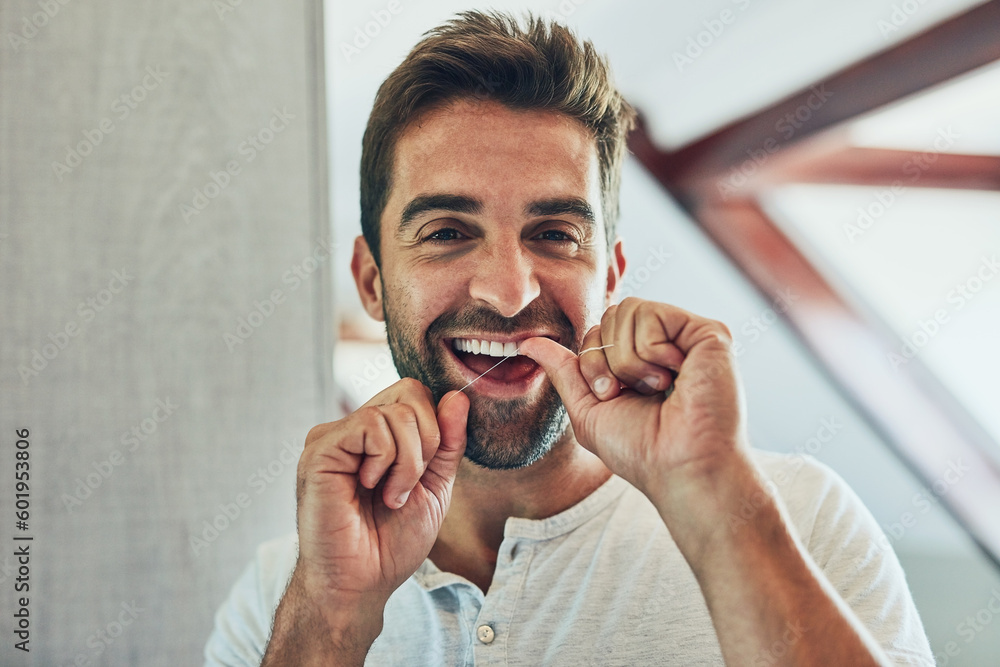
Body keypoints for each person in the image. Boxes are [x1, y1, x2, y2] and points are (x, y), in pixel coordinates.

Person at [205, 10, 934, 666]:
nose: (510, 290)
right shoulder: (288, 592)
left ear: (611, 274)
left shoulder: (803, 520)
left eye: (555, 233)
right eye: (447, 232)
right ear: (370, 281)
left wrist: (715, 504)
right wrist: (333, 624)